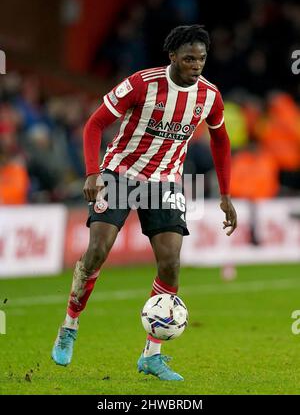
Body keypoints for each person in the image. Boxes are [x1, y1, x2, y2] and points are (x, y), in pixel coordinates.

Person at [51, 24, 237, 381]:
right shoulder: (142, 83)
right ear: (173, 57)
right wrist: (93, 173)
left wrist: (226, 193)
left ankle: (152, 354)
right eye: (188, 59)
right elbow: (94, 125)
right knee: (98, 251)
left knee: (170, 264)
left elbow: (221, 141)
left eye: (201, 59)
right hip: (120, 175)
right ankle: (70, 325)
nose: (196, 65)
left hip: (165, 182)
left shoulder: (210, 96)